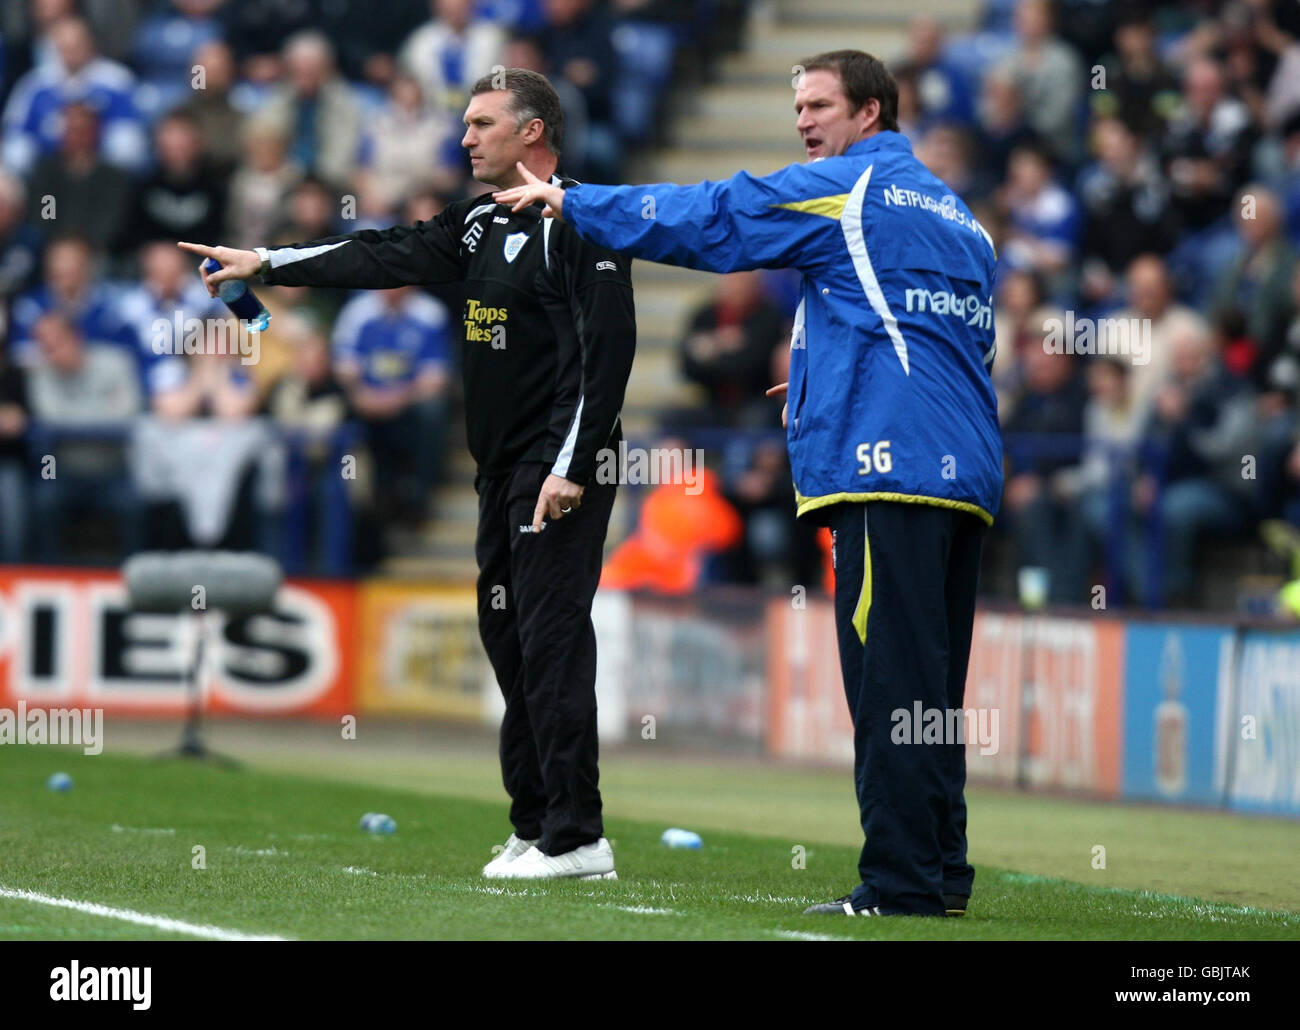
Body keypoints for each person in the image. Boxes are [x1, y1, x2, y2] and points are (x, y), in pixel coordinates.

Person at [496, 49, 1001, 917]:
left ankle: (899, 883)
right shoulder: (962, 219)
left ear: (871, 113)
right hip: (964, 471)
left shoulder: (850, 189)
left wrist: (578, 202)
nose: (803, 121)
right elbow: (940, 337)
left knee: (888, 684)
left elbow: (720, 216)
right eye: (797, 105)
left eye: (819, 105)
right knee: (932, 693)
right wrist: (822, 368)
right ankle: (943, 872)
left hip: (888, 470)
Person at [179, 67, 636, 882]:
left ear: (533, 132)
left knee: (551, 639)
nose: (464, 137)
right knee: (510, 641)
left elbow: (608, 358)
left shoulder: (583, 223)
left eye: (482, 123)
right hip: (500, 470)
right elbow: (384, 252)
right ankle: (536, 826)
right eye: (465, 124)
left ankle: (577, 835)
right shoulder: (478, 223)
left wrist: (567, 467)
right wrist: (267, 261)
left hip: (558, 465)